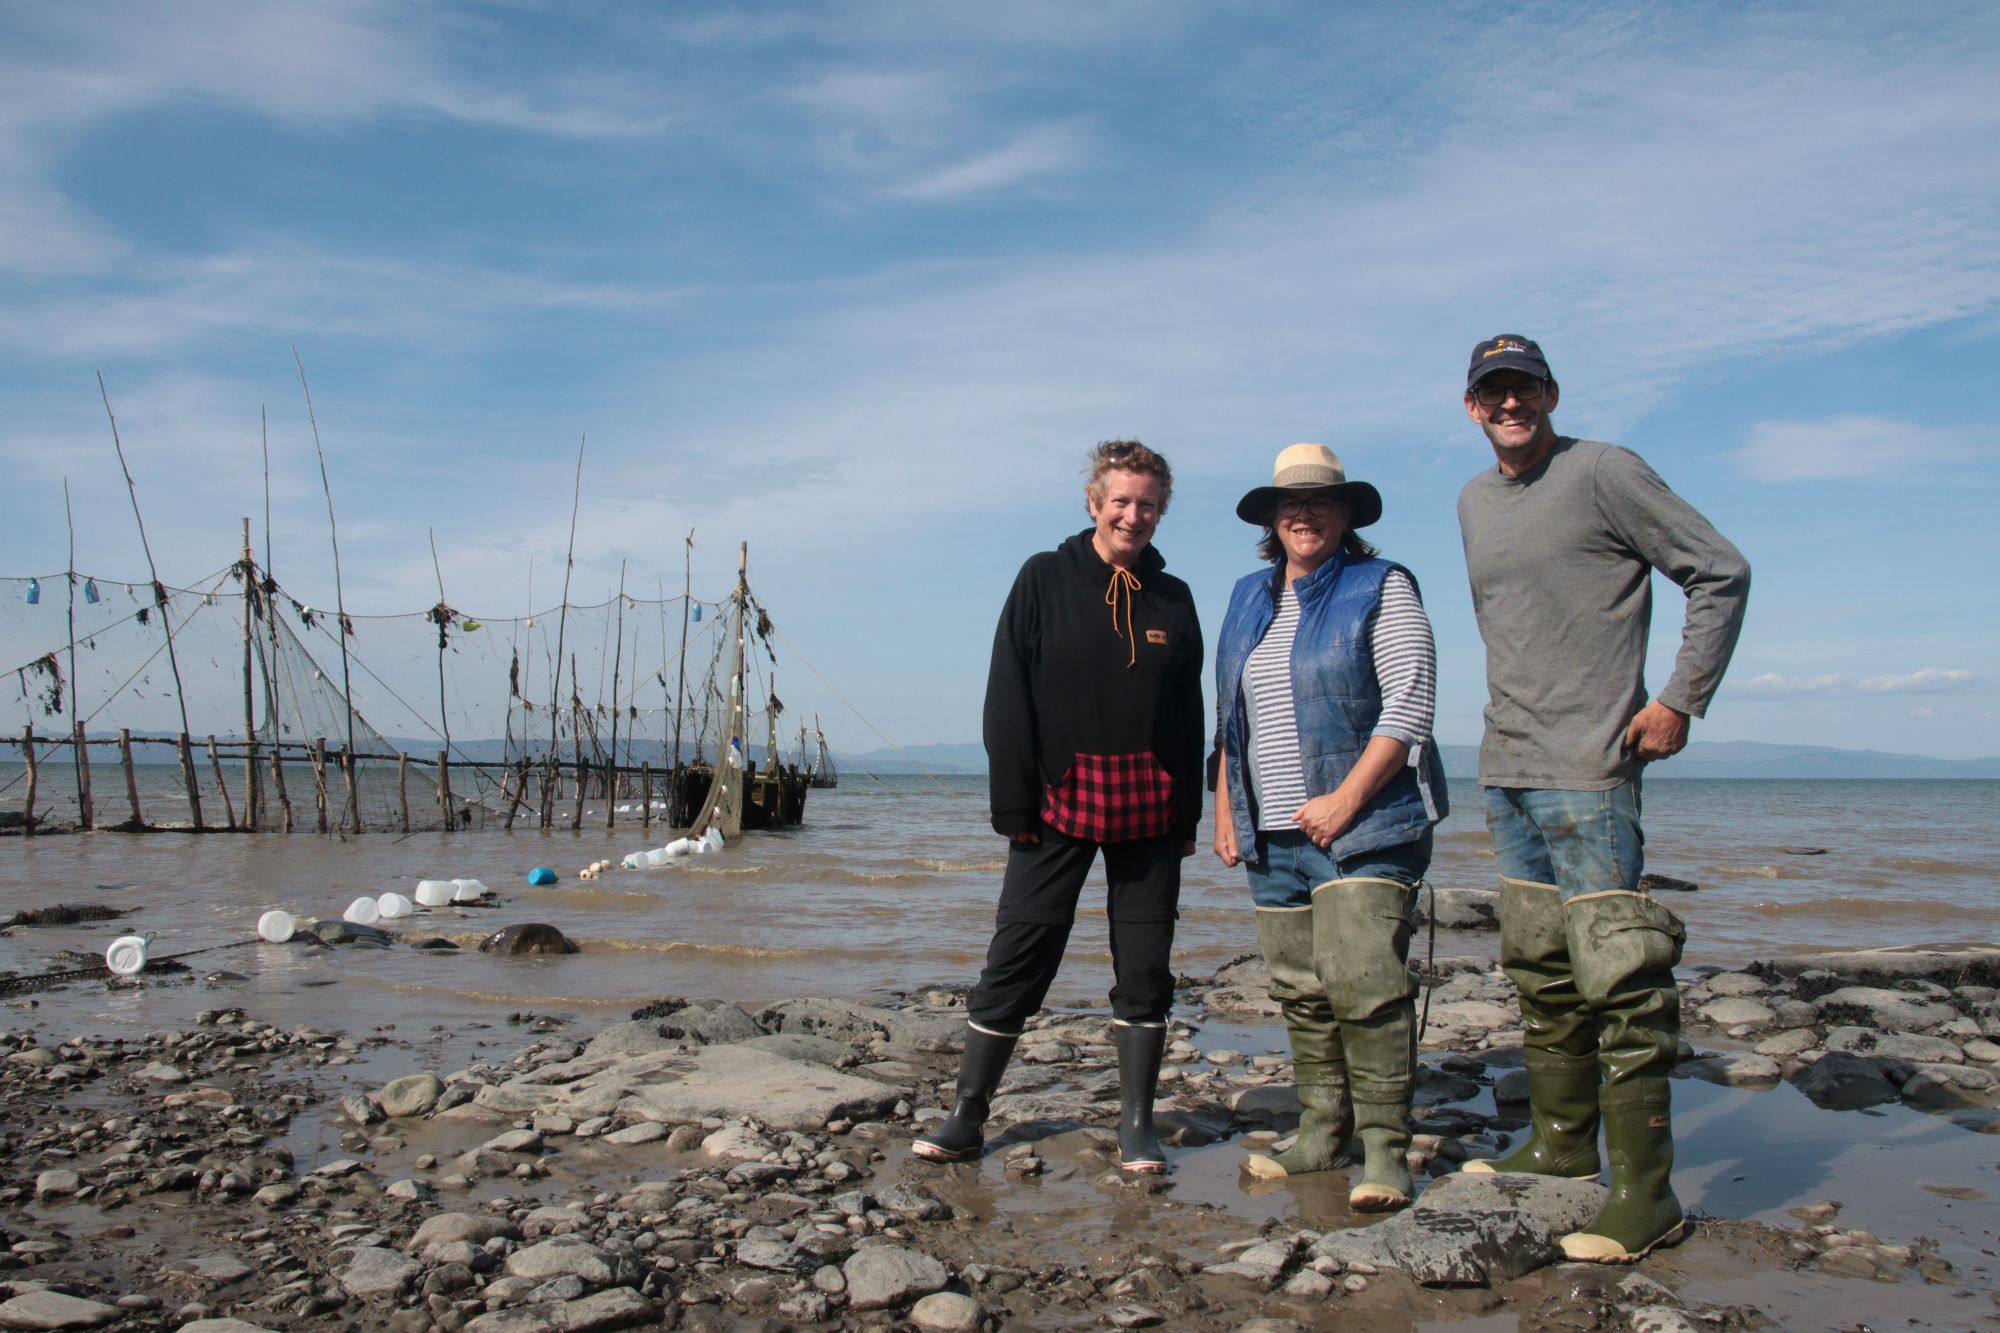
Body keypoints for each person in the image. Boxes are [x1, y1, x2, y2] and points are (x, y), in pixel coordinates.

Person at [1455, 334, 1750, 1262]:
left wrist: (1680, 699)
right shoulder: (1472, 500)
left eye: (1525, 388)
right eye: (1494, 391)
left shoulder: (1605, 471)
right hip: (1507, 765)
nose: (1510, 404)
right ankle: (1560, 1144)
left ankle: (1647, 1193)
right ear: (1472, 406)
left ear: (1550, 393)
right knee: (1541, 969)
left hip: (1592, 767)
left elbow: (1721, 570)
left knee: (1621, 978)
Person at [913, 439, 1205, 1172]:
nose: (1132, 515)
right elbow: (1007, 693)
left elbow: (1189, 713)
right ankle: (967, 1115)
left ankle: (1136, 1126)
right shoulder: (1043, 577)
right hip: (1053, 803)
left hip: (1152, 808)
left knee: (1146, 967)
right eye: (1121, 500)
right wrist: (1013, 804)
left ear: (1161, 511)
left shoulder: (1175, 597)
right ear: (1093, 501)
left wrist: (1189, 817)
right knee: (1019, 955)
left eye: (1147, 504)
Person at [1213, 444, 1448, 1211]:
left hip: (1367, 826)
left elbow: (1410, 702)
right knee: (1302, 990)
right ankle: (1321, 1130)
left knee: (1366, 984)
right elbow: (1230, 718)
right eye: (1291, 503)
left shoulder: (1381, 584)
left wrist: (1346, 799)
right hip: (1272, 832)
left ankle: (1385, 1149)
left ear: (1346, 513)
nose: (1304, 514)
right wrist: (1227, 807)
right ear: (1271, 518)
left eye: (1320, 501)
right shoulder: (1247, 596)